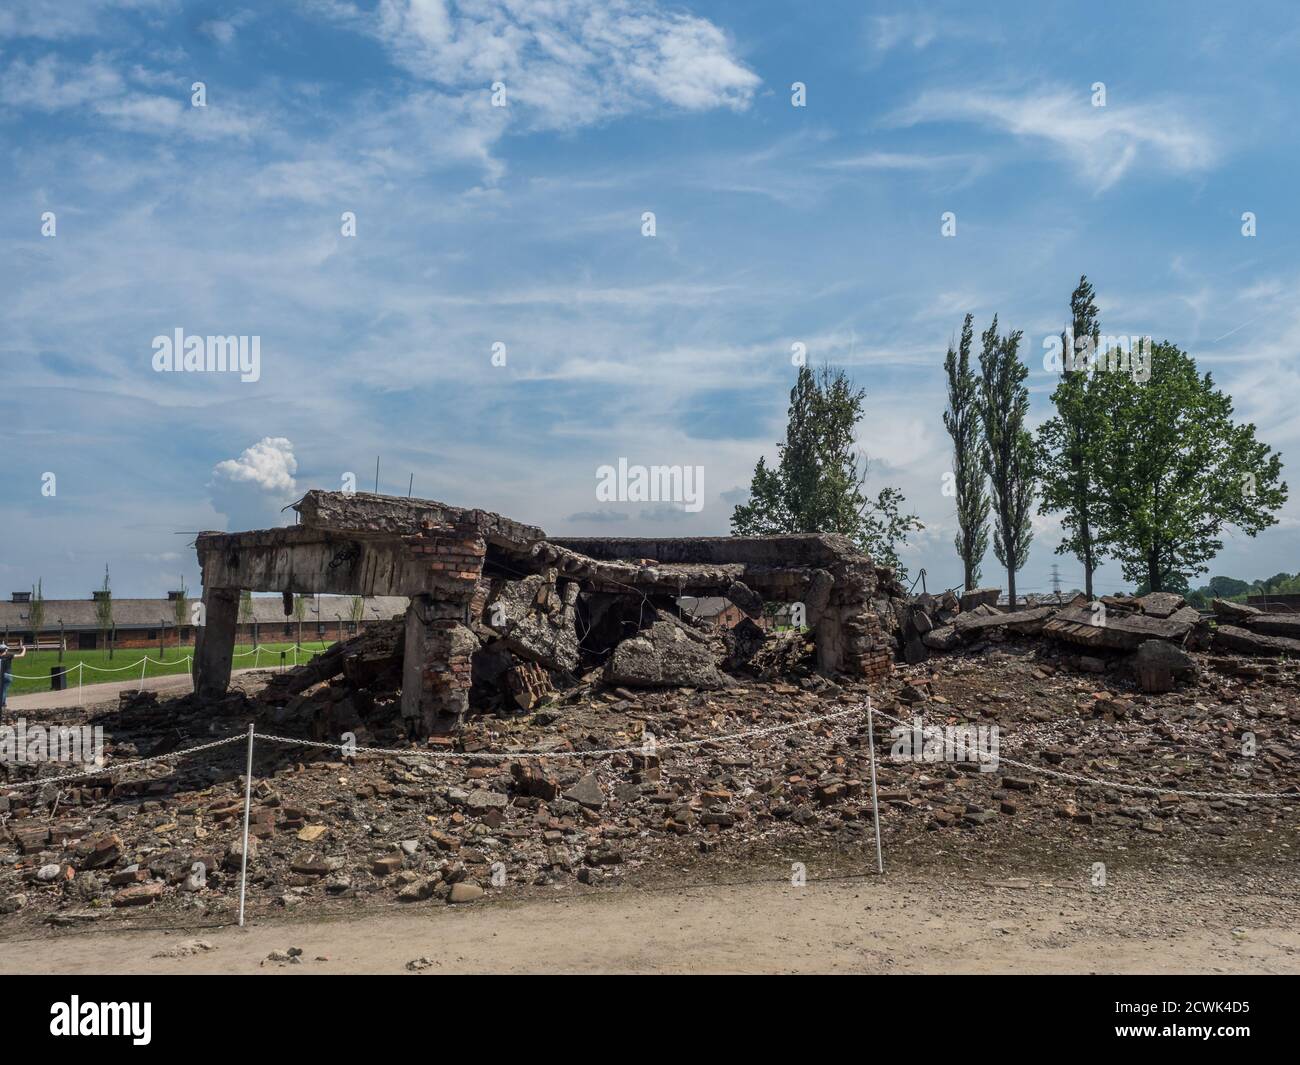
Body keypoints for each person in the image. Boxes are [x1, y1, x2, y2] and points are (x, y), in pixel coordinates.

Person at [0, 641, 27, 713]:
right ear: (5, 650)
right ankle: (2, 705)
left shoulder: (4, 656)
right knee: (4, 690)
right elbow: (22, 655)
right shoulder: (8, 656)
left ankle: (3, 704)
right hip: (7, 675)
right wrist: (24, 649)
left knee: (2, 690)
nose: (7, 650)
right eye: (6, 649)